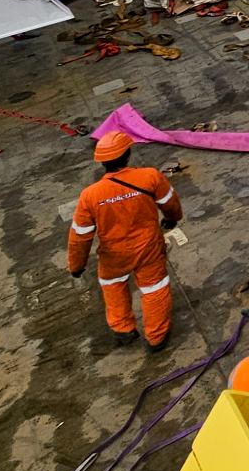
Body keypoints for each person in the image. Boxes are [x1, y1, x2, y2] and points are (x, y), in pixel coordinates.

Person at [67, 130, 183, 349]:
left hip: (113, 255)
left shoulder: (90, 195)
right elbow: (170, 203)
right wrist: (172, 219)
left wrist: (76, 265)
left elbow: (79, 236)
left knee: (112, 285)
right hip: (148, 247)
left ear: (102, 163)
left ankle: (123, 329)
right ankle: (156, 337)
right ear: (128, 154)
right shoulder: (149, 177)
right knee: (154, 288)